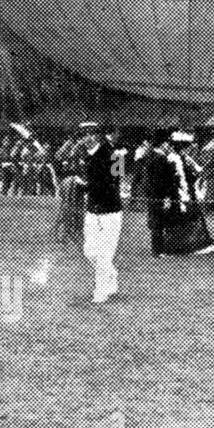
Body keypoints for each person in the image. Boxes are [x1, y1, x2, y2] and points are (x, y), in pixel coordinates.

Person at [77, 122, 123, 304]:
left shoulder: (115, 153)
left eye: (90, 134)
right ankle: (111, 274)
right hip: (92, 210)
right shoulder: (83, 155)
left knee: (104, 253)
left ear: (97, 135)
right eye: (83, 135)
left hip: (110, 211)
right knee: (89, 251)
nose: (86, 138)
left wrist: (87, 186)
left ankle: (101, 290)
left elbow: (116, 181)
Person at [162, 131, 214, 256]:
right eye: (182, 145)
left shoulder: (184, 157)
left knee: (192, 217)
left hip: (188, 190)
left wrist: (198, 172)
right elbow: (175, 177)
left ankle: (196, 244)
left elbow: (198, 170)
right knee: (180, 218)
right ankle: (179, 246)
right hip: (179, 192)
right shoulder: (173, 158)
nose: (183, 147)